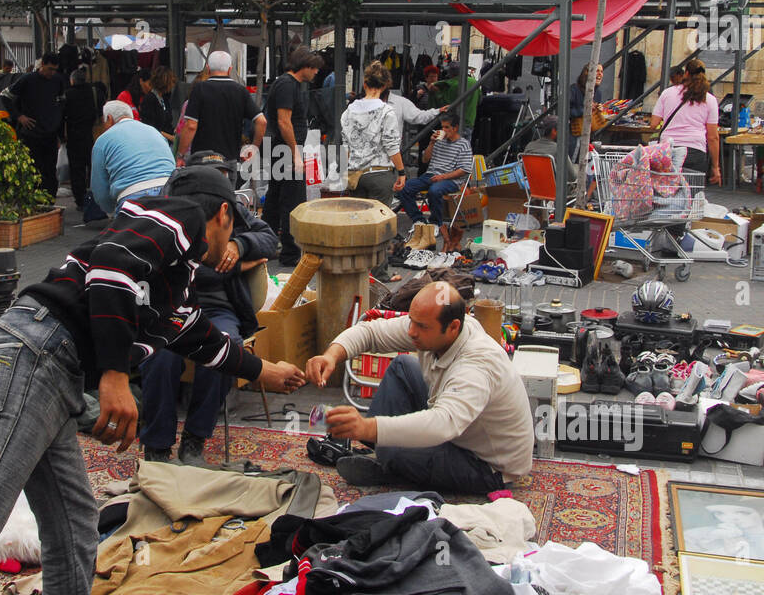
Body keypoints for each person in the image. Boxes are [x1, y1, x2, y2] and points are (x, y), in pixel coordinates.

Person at [0, 166, 306, 595]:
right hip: (39, 356)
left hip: (50, 368)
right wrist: (114, 376)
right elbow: (111, 269)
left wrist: (264, 371)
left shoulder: (173, 266)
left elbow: (193, 333)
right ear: (224, 214)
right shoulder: (184, 218)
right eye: (233, 227)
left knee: (73, 529)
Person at [304, 282, 534, 493]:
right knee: (403, 366)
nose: (412, 331)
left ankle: (390, 463)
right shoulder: (437, 327)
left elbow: (443, 423)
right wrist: (331, 356)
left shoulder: (477, 365)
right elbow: (370, 332)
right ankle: (390, 456)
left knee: (391, 446)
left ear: (453, 327)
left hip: (488, 466)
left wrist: (366, 427)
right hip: (462, 431)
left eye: (421, 326)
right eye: (411, 321)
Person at [139, 151, 279, 466]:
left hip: (219, 309)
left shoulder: (233, 210)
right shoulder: (169, 216)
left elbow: (270, 238)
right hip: (174, 307)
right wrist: (231, 266)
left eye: (224, 175)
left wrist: (238, 246)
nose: (222, 183)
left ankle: (195, 439)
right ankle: (157, 445)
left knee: (224, 347)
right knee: (159, 354)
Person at [341, 61, 405, 281]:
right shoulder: (387, 111)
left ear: (365, 83)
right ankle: (380, 274)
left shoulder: (349, 111)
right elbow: (391, 145)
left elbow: (346, 145)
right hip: (380, 173)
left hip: (356, 174)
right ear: (384, 86)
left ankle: (357, 270)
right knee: (379, 227)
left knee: (358, 225)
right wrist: (402, 171)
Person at [263, 48, 323, 267]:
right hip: (286, 149)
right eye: (314, 67)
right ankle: (290, 253)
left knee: (275, 197)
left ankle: (267, 246)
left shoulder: (286, 83)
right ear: (305, 66)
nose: (316, 72)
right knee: (293, 201)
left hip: (282, 148)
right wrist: (296, 152)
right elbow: (284, 121)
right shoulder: (288, 85)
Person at [177, 50, 266, 169]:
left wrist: (180, 155)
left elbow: (191, 126)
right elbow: (262, 121)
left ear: (208, 69)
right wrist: (254, 148)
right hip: (229, 161)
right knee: (228, 188)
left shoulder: (199, 89)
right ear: (230, 69)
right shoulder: (240, 91)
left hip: (202, 160)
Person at [90, 100, 176, 215]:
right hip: (169, 191)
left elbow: (100, 190)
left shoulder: (103, 141)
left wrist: (110, 210)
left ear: (109, 119)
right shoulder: (153, 131)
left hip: (133, 195)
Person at [2, 51, 65, 197]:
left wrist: (57, 127)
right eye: (50, 69)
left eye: (55, 70)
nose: (52, 73)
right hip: (31, 133)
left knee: (49, 170)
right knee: (33, 169)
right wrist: (19, 116)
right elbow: (5, 96)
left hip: (50, 133)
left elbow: (62, 102)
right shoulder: (28, 79)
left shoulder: (58, 81)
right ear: (42, 64)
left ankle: (49, 200)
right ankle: (34, 200)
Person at [649, 57, 721, 184]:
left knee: (665, 193)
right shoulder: (710, 99)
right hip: (695, 151)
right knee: (691, 195)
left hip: (668, 150)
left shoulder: (667, 93)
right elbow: (713, 137)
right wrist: (715, 167)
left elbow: (653, 124)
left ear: (686, 73)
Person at [397, 113, 473, 229]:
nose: (443, 130)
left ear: (455, 128)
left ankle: (435, 223)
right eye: (442, 127)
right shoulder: (439, 141)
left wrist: (442, 177)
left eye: (447, 127)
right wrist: (431, 143)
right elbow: (425, 159)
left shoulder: (463, 144)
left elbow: (464, 170)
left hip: (451, 180)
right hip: (431, 175)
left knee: (435, 190)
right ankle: (418, 220)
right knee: (404, 187)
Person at [683, 504, 764, 565]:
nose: (732, 518)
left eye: (742, 512)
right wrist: (725, 551)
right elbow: (689, 567)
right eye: (720, 513)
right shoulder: (696, 536)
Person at [63, 65, 106, 204]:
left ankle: (80, 200)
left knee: (77, 170)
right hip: (94, 135)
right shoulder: (95, 91)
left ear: (72, 81)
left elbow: (62, 116)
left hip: (74, 136)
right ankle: (97, 196)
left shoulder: (68, 95)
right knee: (96, 166)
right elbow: (101, 111)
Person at [522, 114, 577, 188]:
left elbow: (524, 172)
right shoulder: (559, 149)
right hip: (557, 192)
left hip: (536, 189)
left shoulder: (529, 146)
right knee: (583, 171)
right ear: (554, 131)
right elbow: (572, 177)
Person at [568, 63, 604, 159]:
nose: (600, 74)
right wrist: (585, 110)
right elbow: (565, 112)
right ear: (587, 73)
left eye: (601, 71)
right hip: (573, 136)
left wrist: (598, 110)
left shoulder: (598, 93)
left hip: (588, 135)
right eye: (597, 71)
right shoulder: (574, 90)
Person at [138, 66, 177, 145]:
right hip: (157, 142)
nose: (173, 85)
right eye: (172, 82)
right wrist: (171, 137)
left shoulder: (164, 98)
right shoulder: (149, 99)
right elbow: (149, 126)